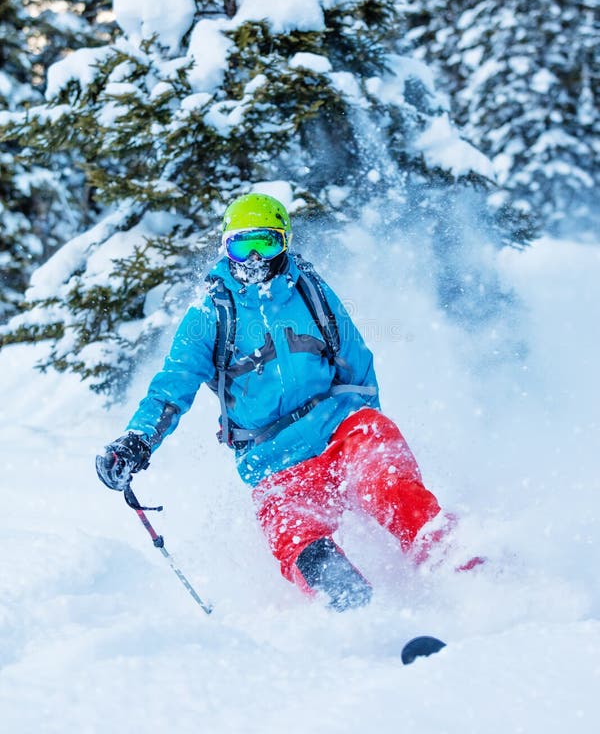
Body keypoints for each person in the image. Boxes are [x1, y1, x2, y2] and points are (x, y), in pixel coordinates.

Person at [96, 193, 480, 611]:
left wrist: (363, 430)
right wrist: (137, 441)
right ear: (226, 249)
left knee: (386, 475)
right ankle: (351, 605)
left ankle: (458, 564)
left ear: (285, 244)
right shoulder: (208, 315)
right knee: (294, 536)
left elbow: (356, 360)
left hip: (339, 432)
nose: (255, 258)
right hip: (273, 461)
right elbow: (172, 386)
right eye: (242, 246)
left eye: (267, 243)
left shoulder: (310, 291)